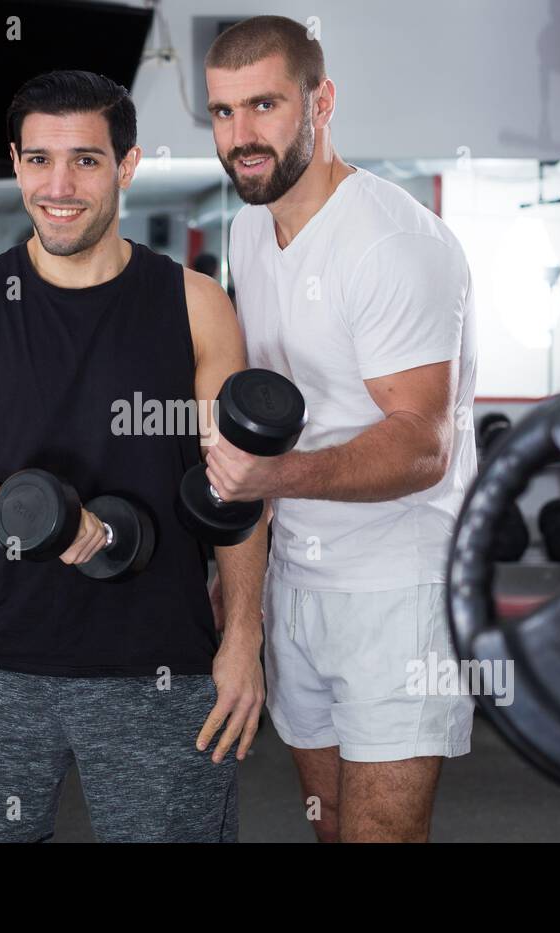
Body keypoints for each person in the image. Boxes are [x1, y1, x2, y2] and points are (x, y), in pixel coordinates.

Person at [0, 70, 264, 843]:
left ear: (126, 166)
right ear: (15, 161)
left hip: (156, 662)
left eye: (86, 160)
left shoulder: (195, 305)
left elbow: (235, 488)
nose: (58, 185)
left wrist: (243, 637)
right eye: (38, 159)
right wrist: (39, 523)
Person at [204, 16, 478, 842]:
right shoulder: (247, 228)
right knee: (330, 830)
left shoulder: (392, 243)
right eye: (222, 113)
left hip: (399, 587)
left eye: (264, 106)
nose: (241, 136)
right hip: (300, 577)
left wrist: (271, 481)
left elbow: (422, 444)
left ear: (321, 101)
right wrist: (246, 579)